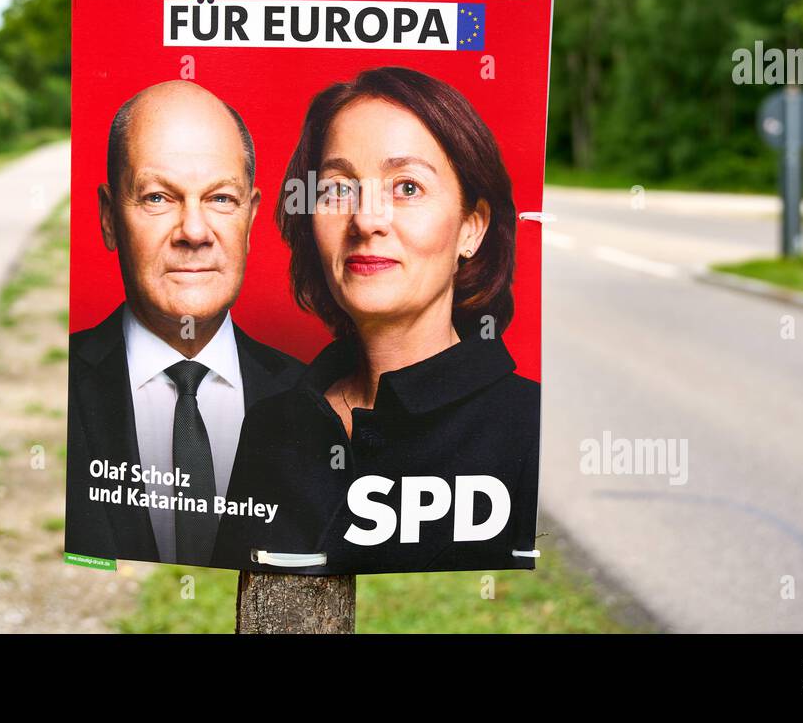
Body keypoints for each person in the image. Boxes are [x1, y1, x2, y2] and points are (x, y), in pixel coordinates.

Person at [214, 67, 540, 575]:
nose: (366, 220)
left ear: (471, 228)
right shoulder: (271, 424)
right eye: (338, 190)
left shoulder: (530, 426)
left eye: (407, 187)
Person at [65, 80, 304, 567]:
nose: (194, 232)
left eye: (220, 199)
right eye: (158, 198)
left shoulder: (316, 401)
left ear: (251, 218)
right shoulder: (53, 386)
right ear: (110, 218)